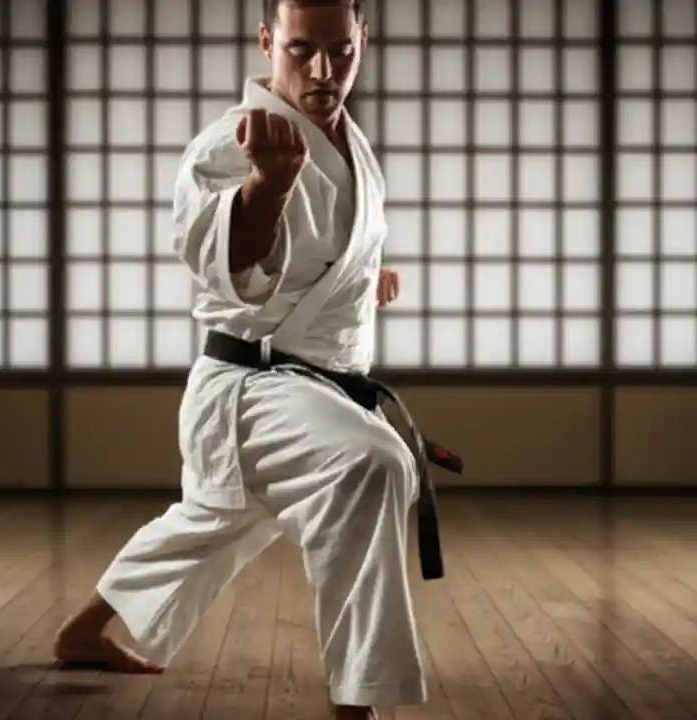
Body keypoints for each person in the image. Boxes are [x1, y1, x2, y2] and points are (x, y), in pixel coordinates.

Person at [53, 1, 422, 717]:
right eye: (300, 49)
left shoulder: (346, 136)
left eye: (341, 50)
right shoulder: (232, 144)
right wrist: (269, 185)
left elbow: (324, 251)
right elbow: (234, 264)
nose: (323, 70)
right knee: (375, 465)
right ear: (266, 42)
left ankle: (81, 633)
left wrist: (360, 277)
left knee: (209, 522)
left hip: (316, 387)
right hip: (251, 390)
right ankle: (360, 698)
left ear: (362, 40)